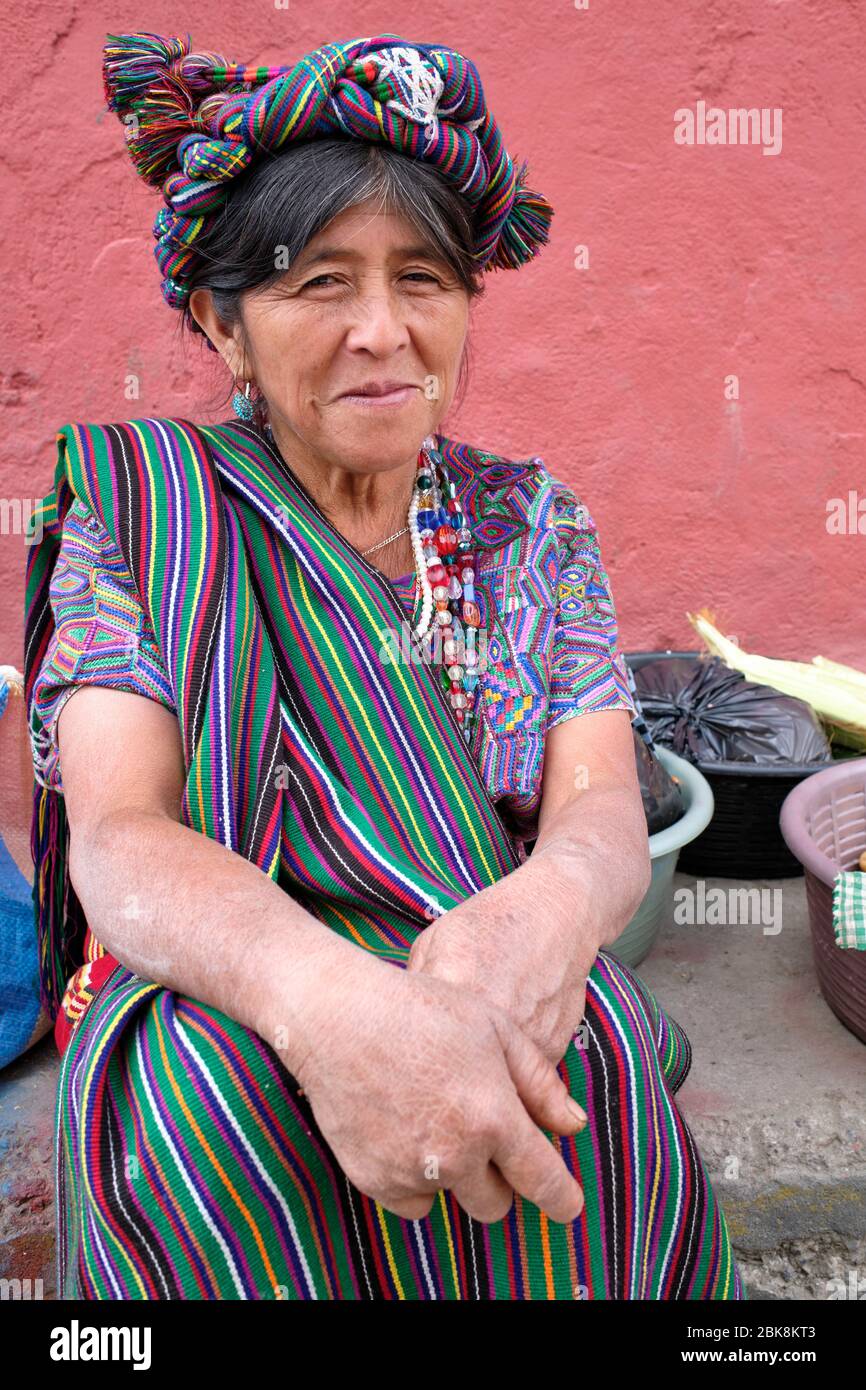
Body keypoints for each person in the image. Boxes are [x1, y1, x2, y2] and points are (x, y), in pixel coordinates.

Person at [24, 30, 744, 1300]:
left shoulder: (530, 524)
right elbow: (122, 834)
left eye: (422, 279)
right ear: (221, 323)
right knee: (217, 1102)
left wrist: (537, 923)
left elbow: (597, 808)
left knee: (602, 1053)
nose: (381, 331)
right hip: (234, 966)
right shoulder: (147, 515)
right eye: (316, 284)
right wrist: (335, 1011)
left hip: (472, 928)